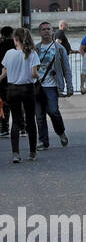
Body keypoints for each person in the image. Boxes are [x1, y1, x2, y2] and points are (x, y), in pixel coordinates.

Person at [3, 28, 41, 164]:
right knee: (30, 120)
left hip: (12, 89)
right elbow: (33, 74)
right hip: (27, 89)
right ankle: (32, 152)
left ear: (15, 39)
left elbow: (4, 72)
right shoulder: (32, 53)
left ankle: (15, 154)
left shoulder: (9, 53)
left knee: (16, 120)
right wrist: (39, 77)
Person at [33, 21, 72, 150]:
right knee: (39, 115)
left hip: (52, 85)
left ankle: (61, 132)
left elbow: (66, 68)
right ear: (39, 32)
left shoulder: (59, 49)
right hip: (38, 85)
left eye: (48, 29)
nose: (46, 31)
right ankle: (43, 142)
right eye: (43, 29)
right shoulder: (35, 49)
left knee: (53, 111)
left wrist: (69, 86)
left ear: (52, 31)